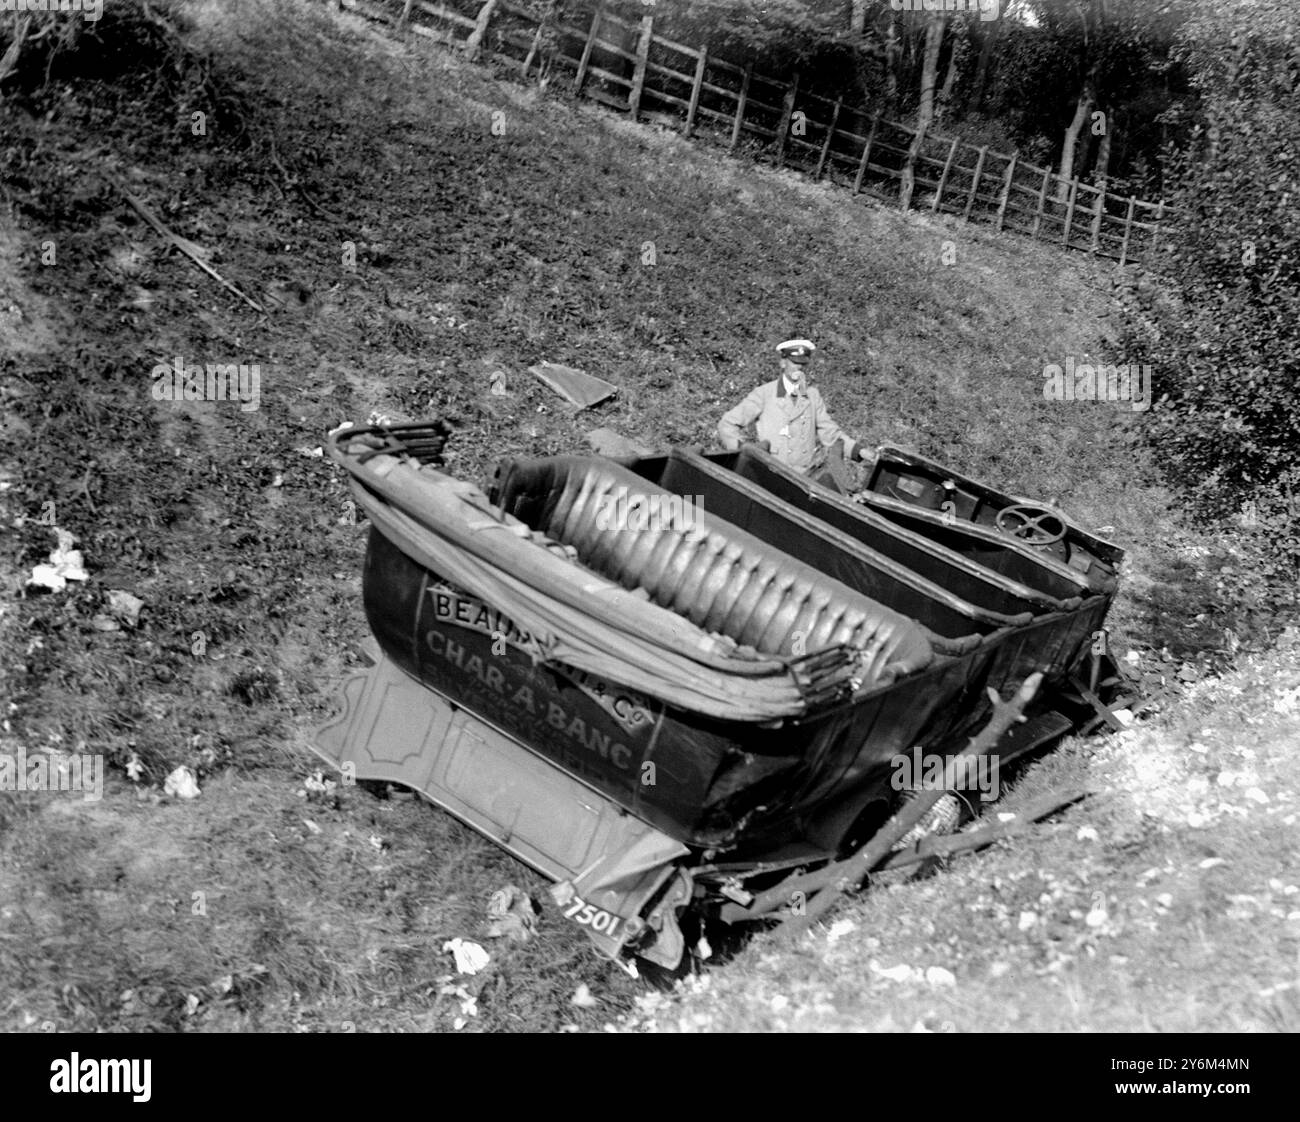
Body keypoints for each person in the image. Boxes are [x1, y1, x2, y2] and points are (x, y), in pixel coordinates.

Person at [717, 338, 874, 478]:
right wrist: (745, 451)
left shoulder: (812, 396)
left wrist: (859, 451)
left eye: (803, 364)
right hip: (769, 472)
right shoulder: (765, 393)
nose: (799, 368)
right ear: (783, 363)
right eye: (794, 362)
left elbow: (830, 434)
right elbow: (727, 424)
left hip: (803, 478)